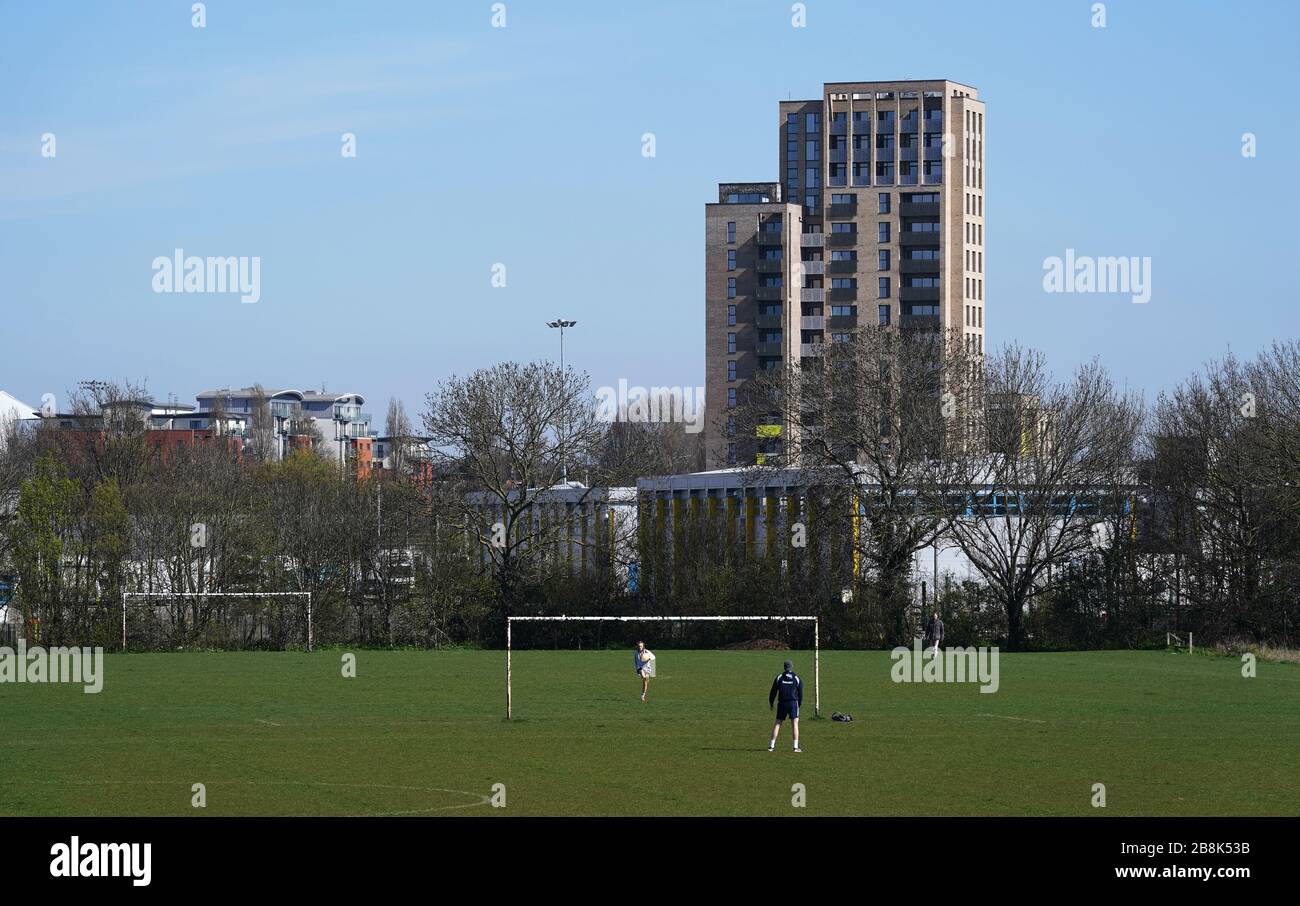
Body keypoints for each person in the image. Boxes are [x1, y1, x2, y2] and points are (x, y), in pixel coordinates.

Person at [768, 660, 803, 753]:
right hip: (792, 703)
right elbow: (801, 692)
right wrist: (799, 703)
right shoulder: (796, 678)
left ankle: (771, 746)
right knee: (795, 723)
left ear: (784, 667)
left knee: (778, 723)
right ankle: (795, 747)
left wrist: (771, 702)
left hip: (782, 703)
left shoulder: (779, 677)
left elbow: (773, 691)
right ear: (792, 667)